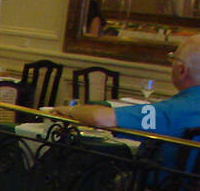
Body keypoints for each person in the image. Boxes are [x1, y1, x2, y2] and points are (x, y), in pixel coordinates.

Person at [65, 34, 200, 168]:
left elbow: (99, 118)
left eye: (173, 59)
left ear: (182, 70)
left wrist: (70, 110)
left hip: (160, 185)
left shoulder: (174, 110)